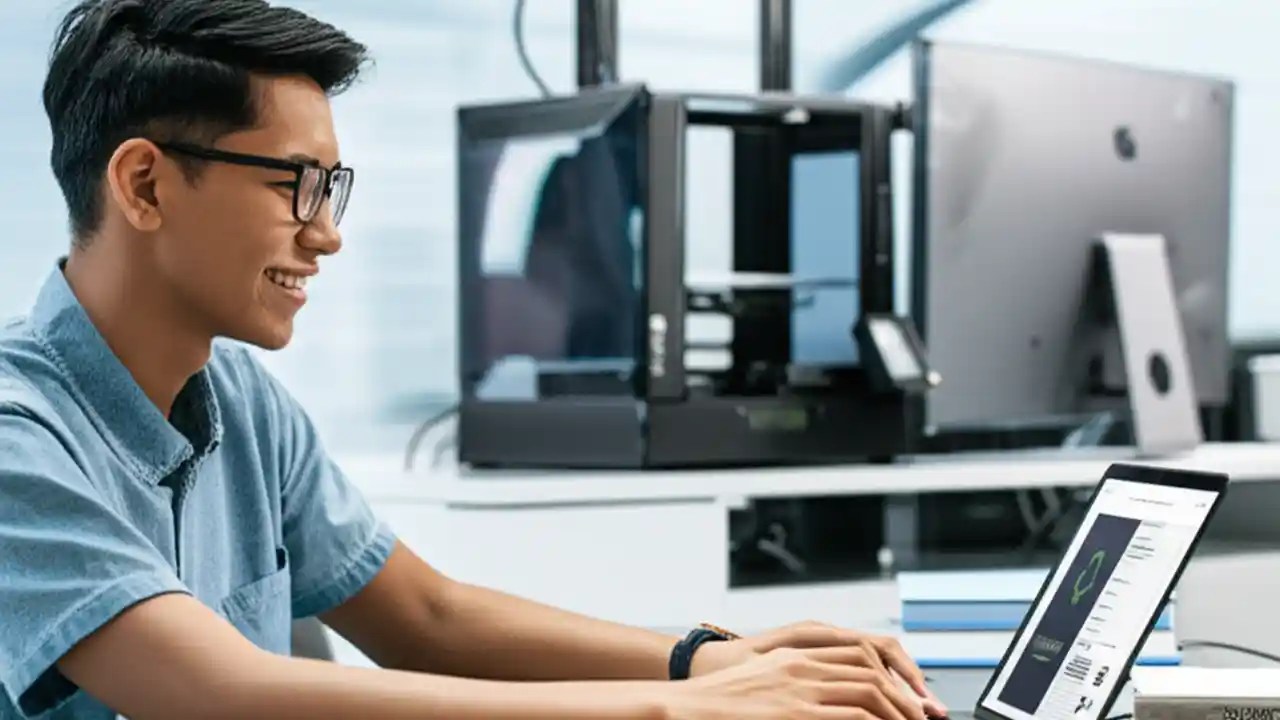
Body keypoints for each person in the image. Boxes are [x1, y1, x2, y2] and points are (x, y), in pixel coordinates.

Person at [0, 1, 950, 718]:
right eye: (297, 185)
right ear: (144, 185)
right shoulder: (17, 437)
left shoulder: (242, 401)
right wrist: (686, 708)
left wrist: (707, 661)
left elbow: (428, 617)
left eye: (332, 188)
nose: (326, 234)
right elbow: (220, 691)